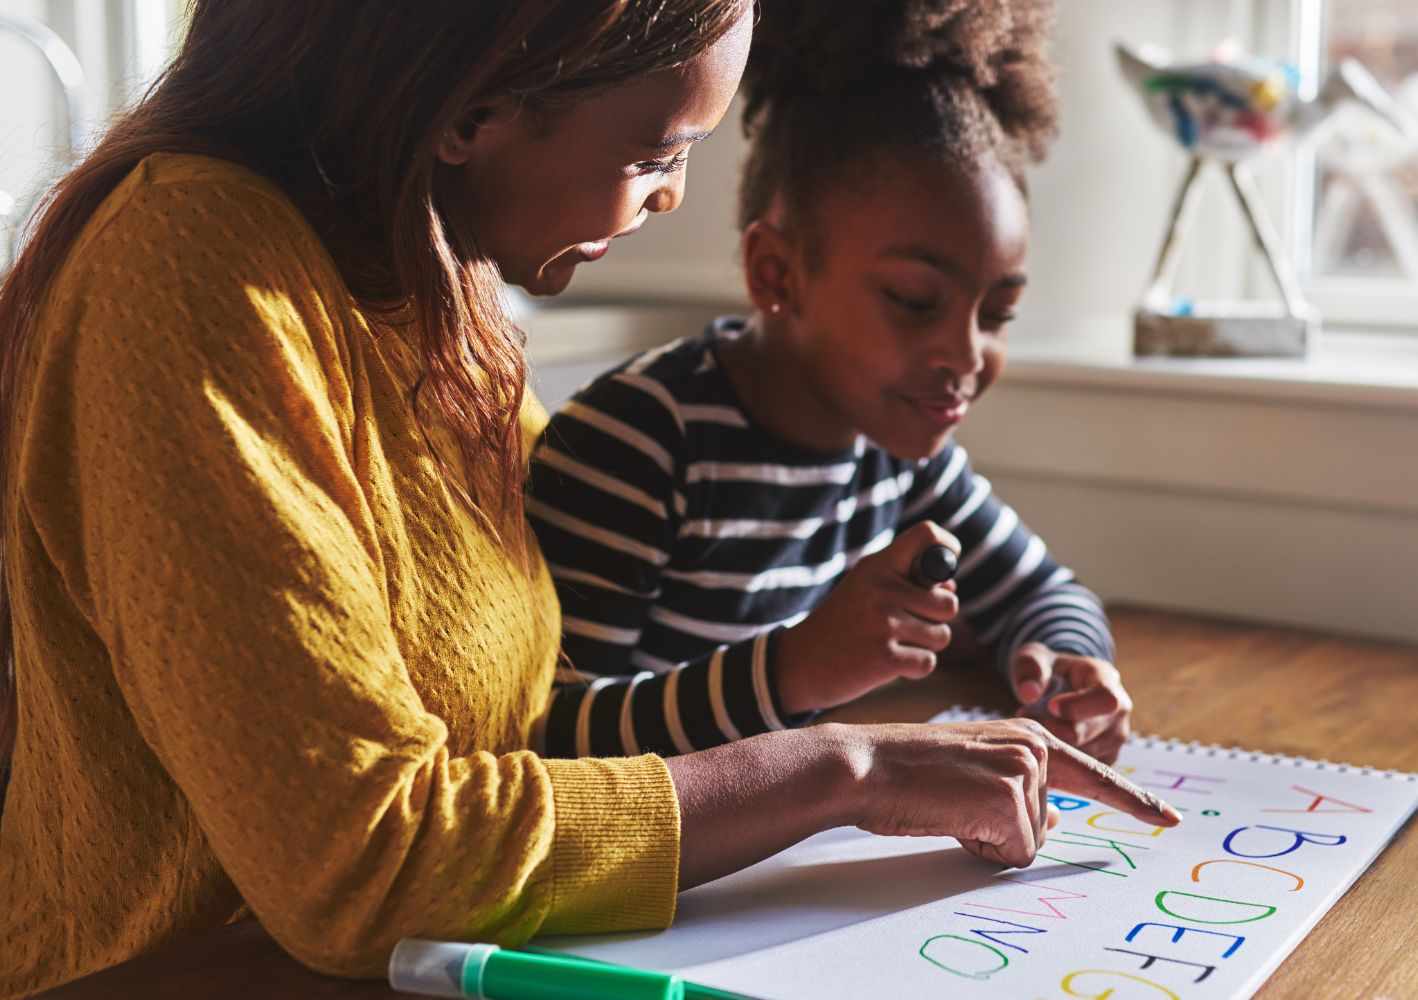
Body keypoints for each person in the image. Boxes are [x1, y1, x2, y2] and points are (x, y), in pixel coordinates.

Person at [0, 2, 1175, 995]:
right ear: (470, 110)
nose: (672, 202)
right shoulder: (189, 264)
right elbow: (358, 866)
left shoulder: (441, 289)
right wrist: (842, 770)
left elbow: (540, 672)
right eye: (656, 153)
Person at [528, 0, 1137, 768]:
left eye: (998, 311)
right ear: (777, 273)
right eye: (915, 302)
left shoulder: (901, 458)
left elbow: (1046, 593)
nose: (966, 353)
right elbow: (557, 743)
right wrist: (796, 670)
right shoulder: (637, 445)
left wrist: (1065, 662)